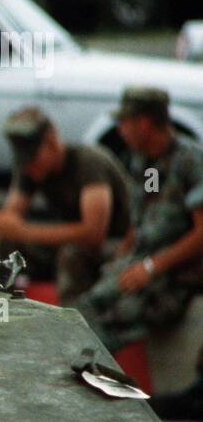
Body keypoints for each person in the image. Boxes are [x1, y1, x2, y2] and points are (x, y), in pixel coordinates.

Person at [74, 87, 203, 352]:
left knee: (113, 320)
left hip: (175, 274)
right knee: (86, 307)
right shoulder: (146, 163)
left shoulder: (189, 161)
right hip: (142, 261)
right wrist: (122, 256)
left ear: (143, 124)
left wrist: (151, 267)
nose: (121, 130)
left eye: (125, 122)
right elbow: (146, 211)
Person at [0, 107, 132, 303]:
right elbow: (12, 215)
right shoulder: (32, 167)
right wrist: (0, 224)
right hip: (65, 245)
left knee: (72, 253)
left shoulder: (88, 163)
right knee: (1, 246)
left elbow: (94, 233)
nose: (29, 167)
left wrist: (25, 231)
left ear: (52, 142)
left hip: (113, 246)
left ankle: (76, 319)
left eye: (33, 159)